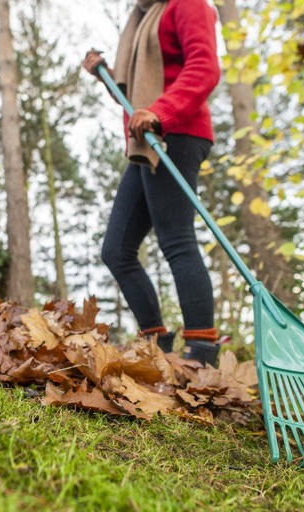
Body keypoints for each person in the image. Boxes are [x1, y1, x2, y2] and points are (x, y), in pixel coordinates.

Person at [83, 0, 224, 366]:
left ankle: (201, 352)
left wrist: (161, 112)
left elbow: (205, 69)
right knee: (116, 250)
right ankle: (155, 345)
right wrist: (105, 77)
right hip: (148, 139)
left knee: (176, 240)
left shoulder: (188, 5)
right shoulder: (142, 18)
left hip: (178, 132)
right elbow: (134, 102)